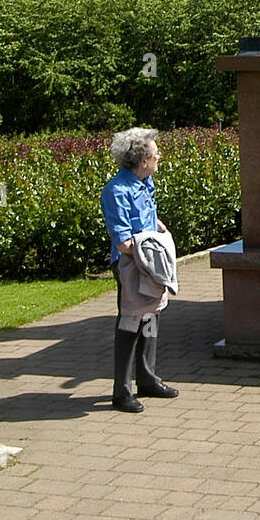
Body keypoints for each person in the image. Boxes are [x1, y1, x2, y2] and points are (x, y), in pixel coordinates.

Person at [101, 128, 179, 413]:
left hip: (148, 259)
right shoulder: (117, 190)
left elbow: (149, 215)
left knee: (151, 314)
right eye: (154, 152)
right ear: (141, 159)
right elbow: (122, 242)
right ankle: (121, 392)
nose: (159, 156)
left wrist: (158, 227)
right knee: (130, 322)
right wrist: (152, 252)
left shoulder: (145, 182)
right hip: (132, 263)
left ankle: (147, 378)